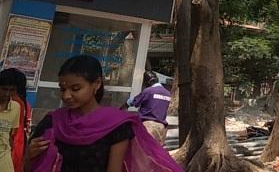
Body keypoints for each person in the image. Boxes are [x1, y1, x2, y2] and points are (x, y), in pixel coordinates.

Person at [26, 55, 183, 172]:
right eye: (62, 89)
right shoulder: (52, 122)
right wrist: (28, 155)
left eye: (75, 89)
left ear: (96, 84)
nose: (66, 95)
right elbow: (26, 167)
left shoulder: (116, 126)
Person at [126, 72, 171, 144]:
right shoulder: (167, 93)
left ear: (148, 82)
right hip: (161, 127)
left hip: (148, 126)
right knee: (156, 151)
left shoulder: (148, 91)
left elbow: (133, 102)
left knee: (143, 150)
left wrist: (121, 109)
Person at [0, 69, 28, 172]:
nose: (7, 94)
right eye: (4, 89)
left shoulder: (17, 106)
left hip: (5, 156)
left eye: (11, 90)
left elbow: (14, 135)